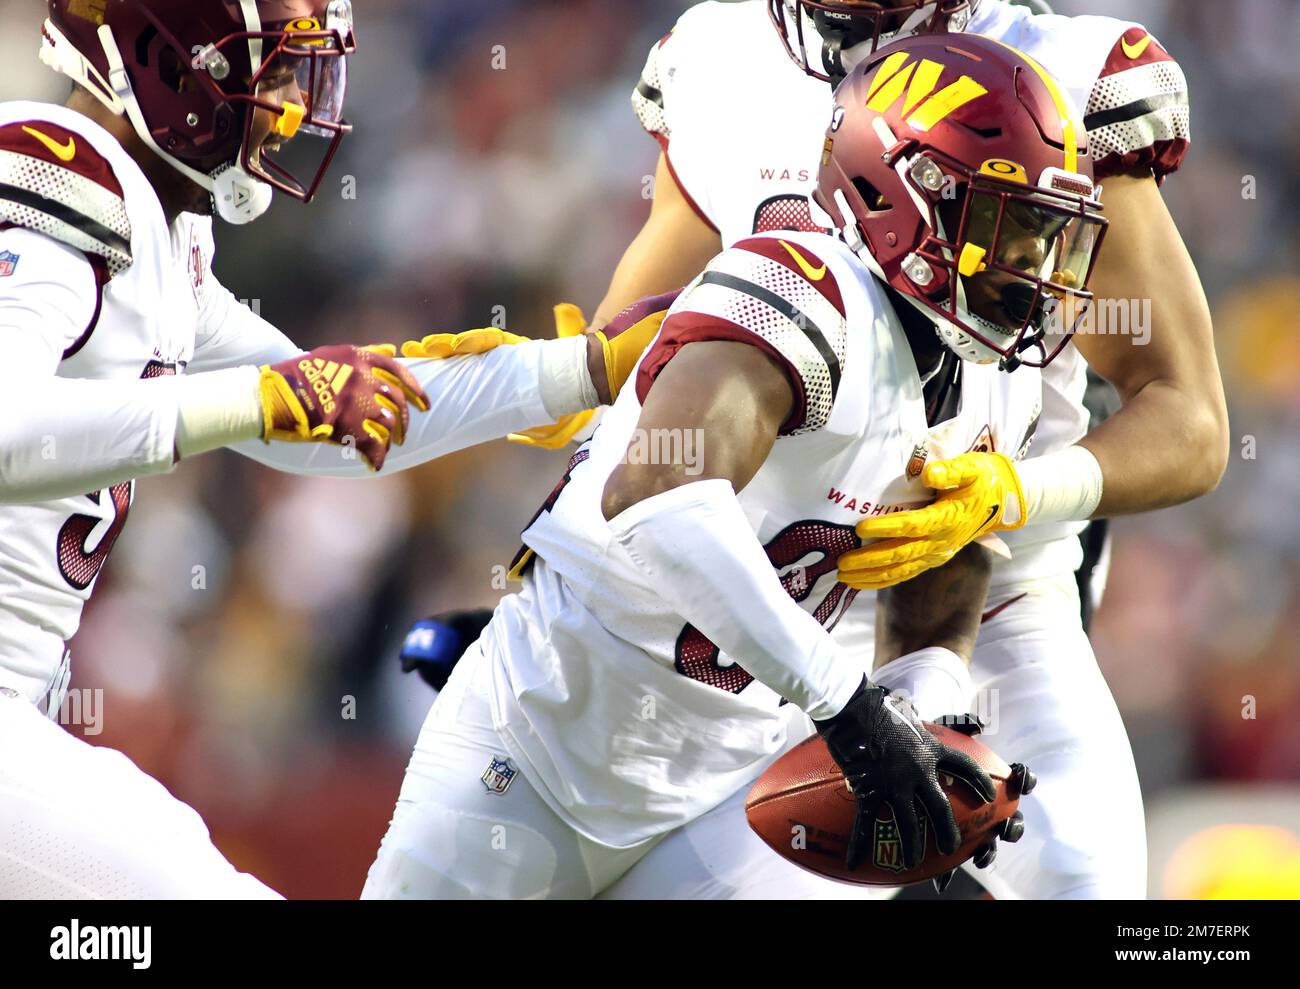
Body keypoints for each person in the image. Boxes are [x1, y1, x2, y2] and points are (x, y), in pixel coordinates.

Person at [361, 34, 1103, 900]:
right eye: (1012, 232)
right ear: (910, 199)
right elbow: (655, 498)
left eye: (1047, 237)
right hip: (541, 749)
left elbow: (943, 563)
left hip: (733, 786)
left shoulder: (986, 370)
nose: (1037, 271)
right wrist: (854, 711)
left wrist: (923, 707)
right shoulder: (798, 289)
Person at [0, 0, 655, 899]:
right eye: (265, 70)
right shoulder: (52, 178)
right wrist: (256, 402)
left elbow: (334, 423)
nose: (292, 108)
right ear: (164, 54)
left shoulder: (167, 230)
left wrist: (578, 372)